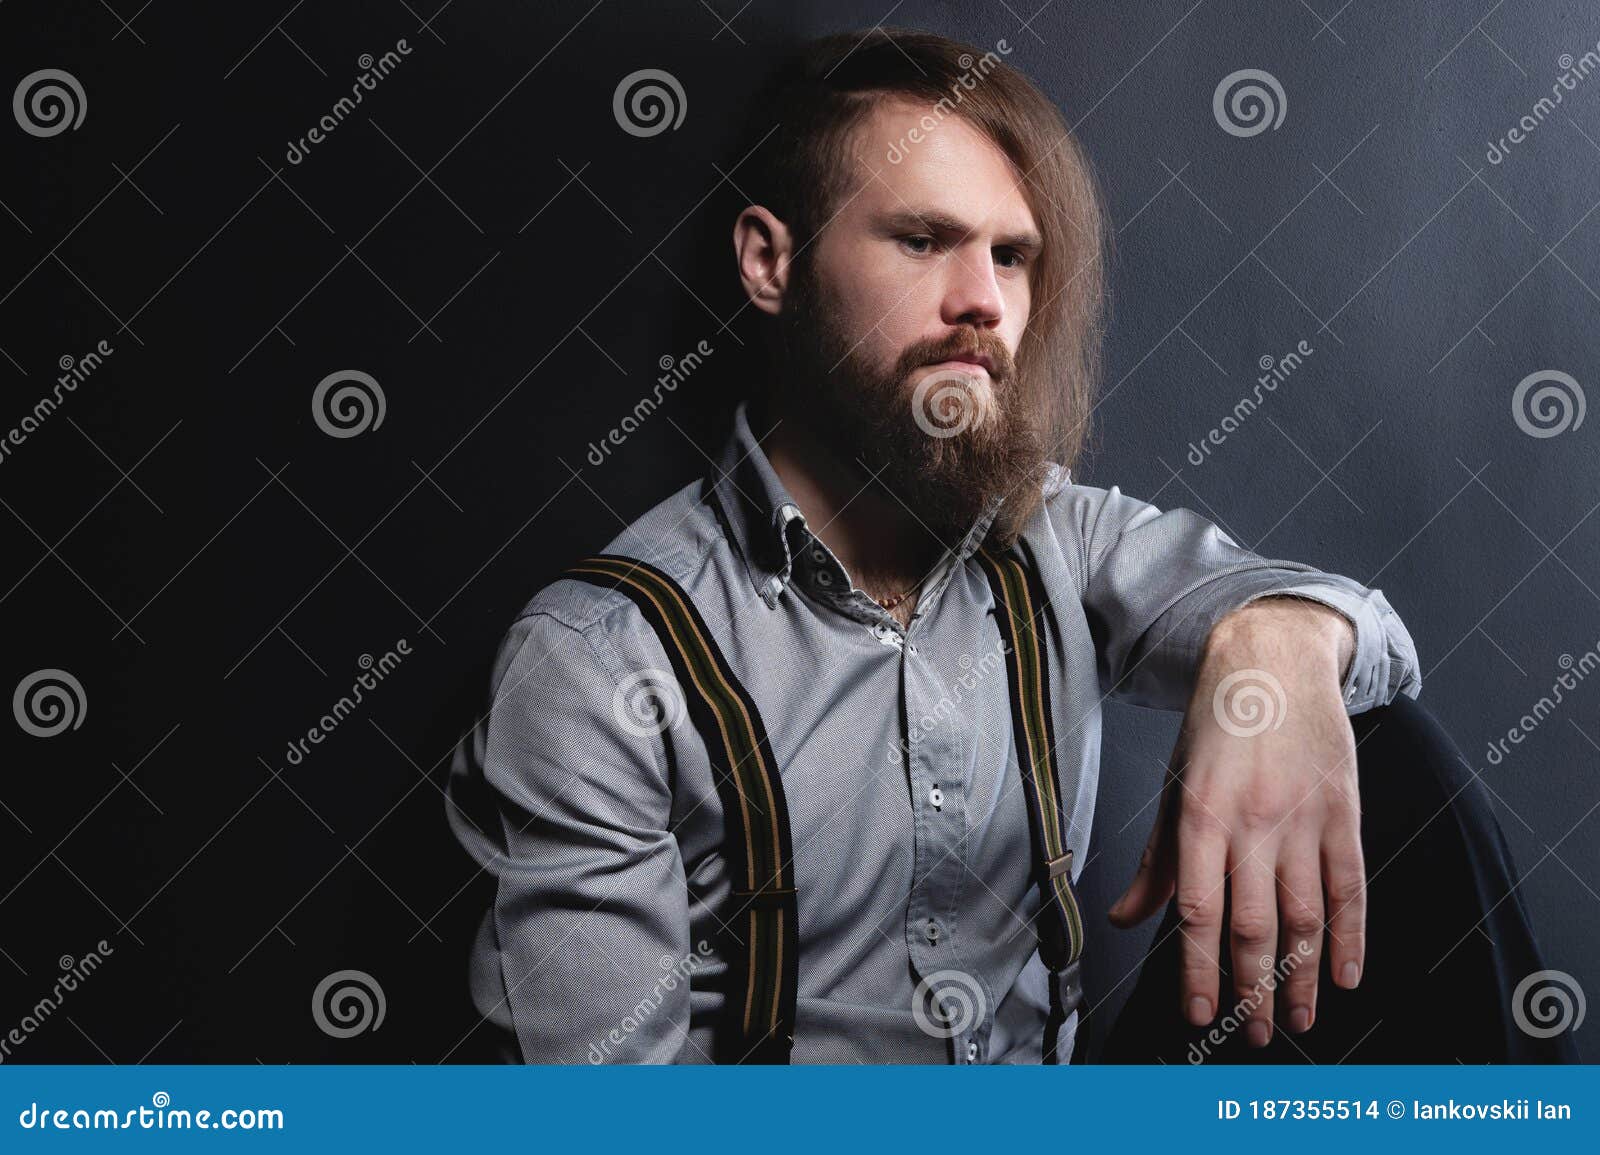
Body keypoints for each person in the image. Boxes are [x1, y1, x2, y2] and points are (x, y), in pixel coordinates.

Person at [443, 28, 1561, 1064]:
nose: (983, 302)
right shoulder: (598, 663)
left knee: (1384, 753)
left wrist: (1265, 659)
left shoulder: (1050, 542)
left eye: (1014, 257)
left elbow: (1363, 630)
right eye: (922, 240)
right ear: (768, 264)